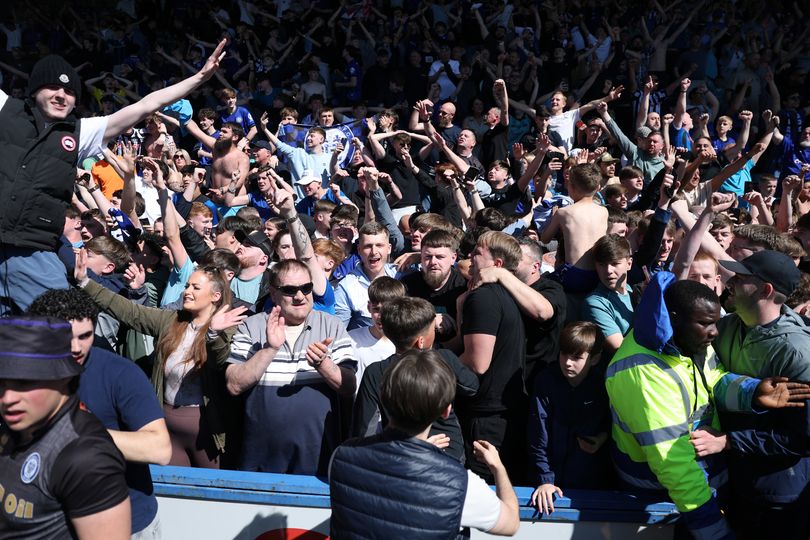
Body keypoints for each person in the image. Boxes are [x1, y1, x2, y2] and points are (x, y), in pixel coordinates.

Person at [0, 40, 229, 313]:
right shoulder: (6, 110)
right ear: (35, 88)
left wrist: (200, 77)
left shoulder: (80, 131)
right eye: (54, 87)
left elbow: (147, 104)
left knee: (65, 327)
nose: (62, 95)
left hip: (32, 248)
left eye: (70, 91)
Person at [606, 275, 810, 539]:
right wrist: (715, 531)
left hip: (701, 484)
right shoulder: (643, 373)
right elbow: (674, 465)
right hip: (663, 496)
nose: (715, 332)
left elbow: (711, 378)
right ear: (675, 318)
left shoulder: (686, 340)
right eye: (705, 324)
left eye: (716, 322)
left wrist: (753, 392)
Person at [76, 249, 243, 469]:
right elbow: (129, 311)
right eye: (186, 286)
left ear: (216, 296)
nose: (187, 292)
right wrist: (85, 282)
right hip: (167, 423)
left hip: (206, 429)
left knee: (214, 491)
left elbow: (220, 361)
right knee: (171, 490)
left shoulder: (228, 329)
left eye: (195, 287)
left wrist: (213, 334)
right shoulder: (171, 320)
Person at [331, 348, 520, 538]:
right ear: (446, 411)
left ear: (385, 400)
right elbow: (511, 523)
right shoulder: (461, 484)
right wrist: (498, 468)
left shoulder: (341, 457)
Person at [27, 288, 171, 537]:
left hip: (124, 524)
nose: (76, 347)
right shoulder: (21, 374)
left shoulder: (120, 373)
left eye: (85, 336)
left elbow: (159, 450)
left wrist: (77, 432)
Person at [708, 250, 810, 537]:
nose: (731, 284)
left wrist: (729, 441)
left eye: (741, 279)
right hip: (734, 483)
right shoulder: (727, 326)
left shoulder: (797, 353)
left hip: (776, 496)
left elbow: (801, 438)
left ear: (764, 290)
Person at [0, 316, 131, 539]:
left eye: (25, 382)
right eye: (1, 383)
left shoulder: (87, 458)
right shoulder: (16, 424)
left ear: (63, 376)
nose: (8, 398)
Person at [224, 259, 356, 475]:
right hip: (261, 455)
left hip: (317, 454)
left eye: (306, 288)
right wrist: (268, 349)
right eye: (290, 290)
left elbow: (349, 386)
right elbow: (233, 385)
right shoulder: (252, 326)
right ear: (273, 293)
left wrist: (324, 365)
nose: (300, 296)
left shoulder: (332, 325)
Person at [456, 231, 527, 482]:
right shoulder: (506, 295)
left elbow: (477, 363)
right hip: (503, 413)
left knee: (482, 496)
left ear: (497, 264)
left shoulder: (483, 297)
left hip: (485, 418)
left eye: (477, 253)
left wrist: (440, 360)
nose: (471, 257)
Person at [529, 322, 611, 514]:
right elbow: (538, 433)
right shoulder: (546, 381)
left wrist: (601, 438)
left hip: (589, 485)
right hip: (548, 482)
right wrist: (545, 480)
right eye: (564, 354)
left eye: (576, 358)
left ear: (595, 358)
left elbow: (614, 423)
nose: (567, 362)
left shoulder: (603, 385)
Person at [541, 163, 607, 293]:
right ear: (598, 187)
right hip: (597, 274)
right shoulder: (604, 211)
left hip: (573, 275)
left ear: (571, 186)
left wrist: (554, 217)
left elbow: (545, 239)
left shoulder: (564, 212)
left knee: (541, 282)